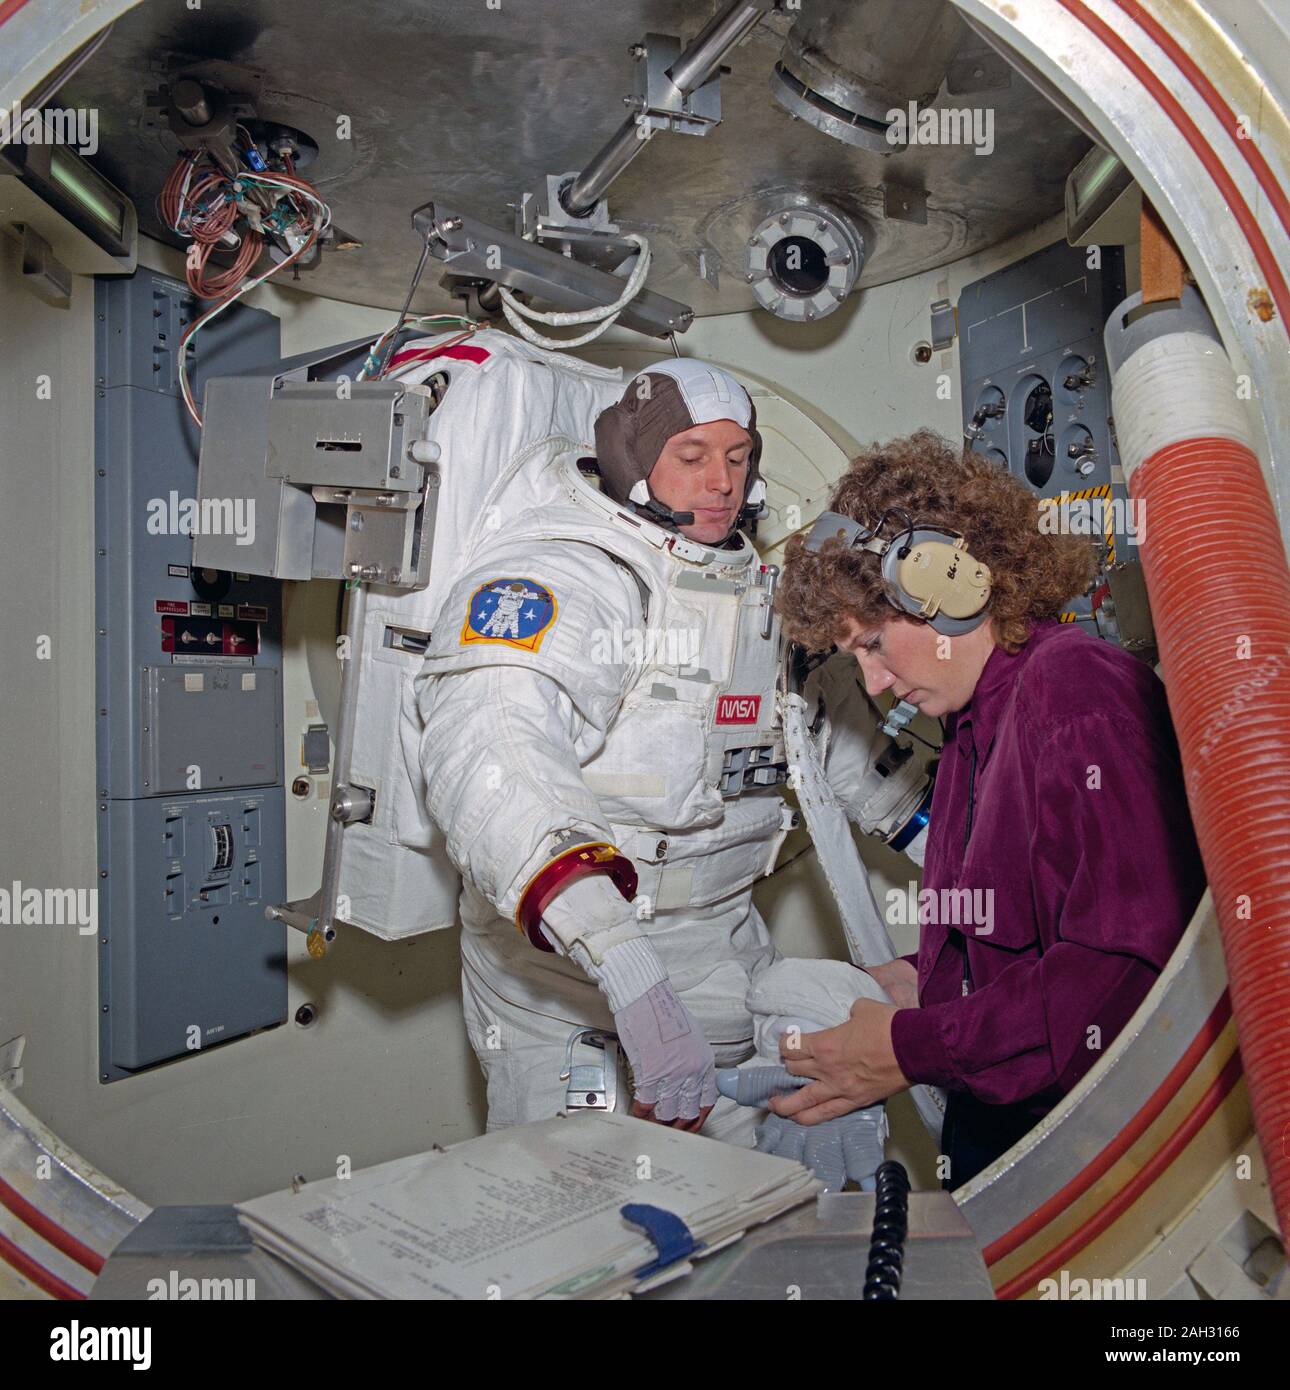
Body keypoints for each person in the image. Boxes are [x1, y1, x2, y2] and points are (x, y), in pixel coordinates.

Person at [413, 359, 928, 1143]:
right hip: (570, 983)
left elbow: (847, 756)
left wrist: (991, 867)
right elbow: (494, 755)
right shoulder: (562, 574)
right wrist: (625, 968)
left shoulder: (763, 593)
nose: (720, 481)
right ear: (633, 459)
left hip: (721, 961)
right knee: (576, 1219)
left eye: (738, 456)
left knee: (750, 1212)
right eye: (692, 457)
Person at [765, 430, 1206, 1186]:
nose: (872, 685)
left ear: (948, 581)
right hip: (1010, 1144)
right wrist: (918, 986)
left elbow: (1119, 983)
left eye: (873, 643)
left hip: (1090, 1157)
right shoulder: (975, 726)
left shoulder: (1074, 697)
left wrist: (910, 1049)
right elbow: (1025, 945)